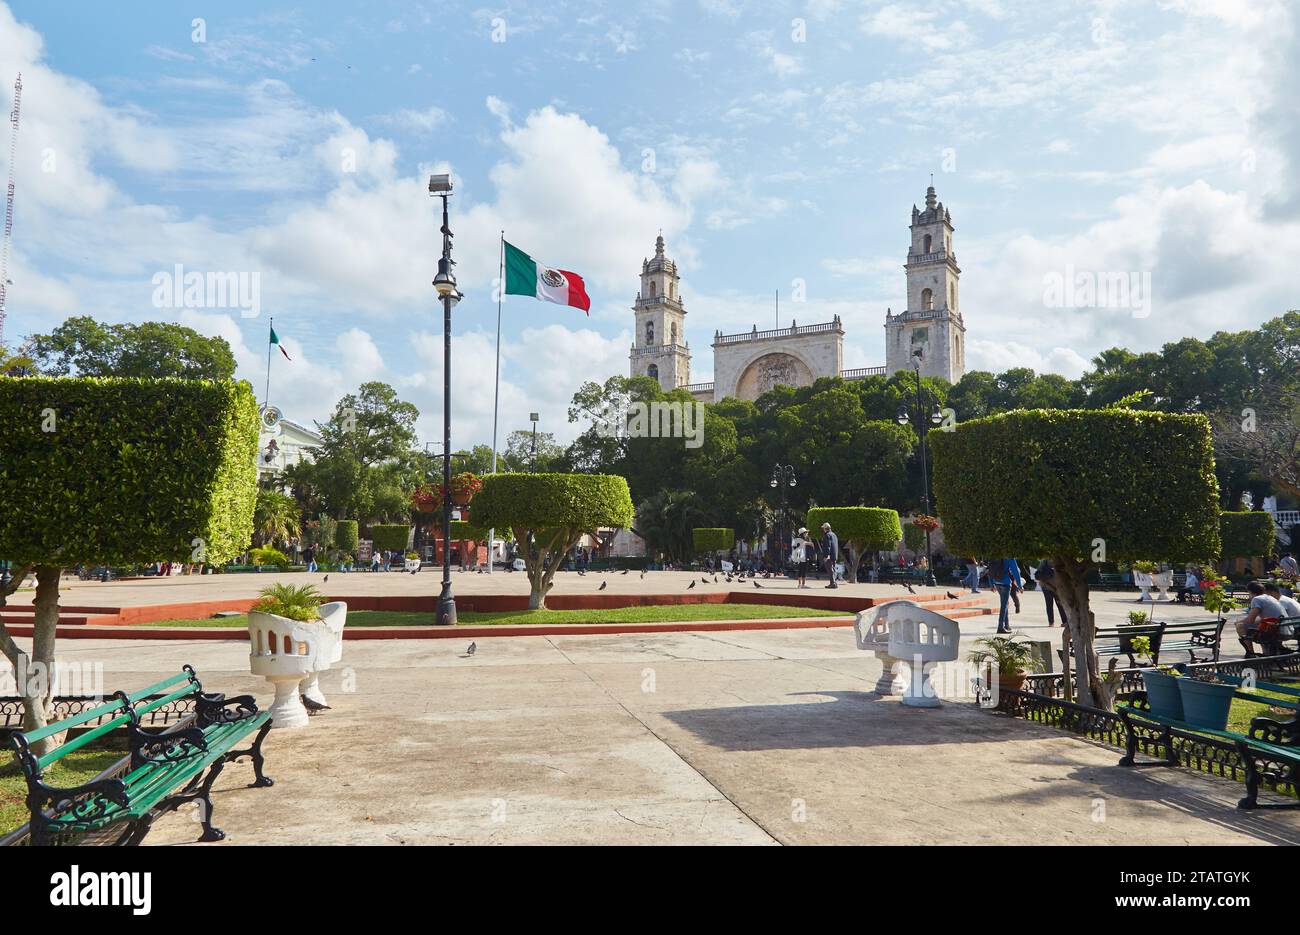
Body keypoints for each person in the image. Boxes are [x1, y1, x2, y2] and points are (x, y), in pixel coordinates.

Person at [1237, 581, 1284, 657]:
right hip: (1284, 628)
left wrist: (1238, 622)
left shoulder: (1256, 599)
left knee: (1240, 626)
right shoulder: (1270, 597)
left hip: (1275, 631)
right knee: (1260, 626)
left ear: (1251, 592)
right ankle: (1265, 653)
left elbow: (1250, 620)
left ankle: (1250, 654)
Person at [987, 557, 1022, 633]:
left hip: (996, 582)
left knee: (1005, 603)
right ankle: (1000, 627)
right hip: (1005, 583)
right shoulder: (1009, 556)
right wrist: (1020, 585)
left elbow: (990, 569)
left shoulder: (995, 554)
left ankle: (1007, 625)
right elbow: (1015, 571)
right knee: (1004, 605)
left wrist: (991, 584)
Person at [1034, 558, 1066, 626]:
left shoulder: (1044, 560)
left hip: (1045, 585)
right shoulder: (1058, 559)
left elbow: (1038, 573)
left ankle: (1051, 623)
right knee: (1060, 604)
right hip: (1056, 586)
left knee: (1049, 605)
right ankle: (1065, 622)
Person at [820, 522, 840, 589]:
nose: (823, 529)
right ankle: (834, 583)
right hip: (834, 555)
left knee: (830, 569)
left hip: (830, 555)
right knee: (833, 569)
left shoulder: (827, 535)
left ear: (825, 528)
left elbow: (828, 546)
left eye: (823, 528)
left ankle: (832, 583)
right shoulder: (834, 535)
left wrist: (826, 556)